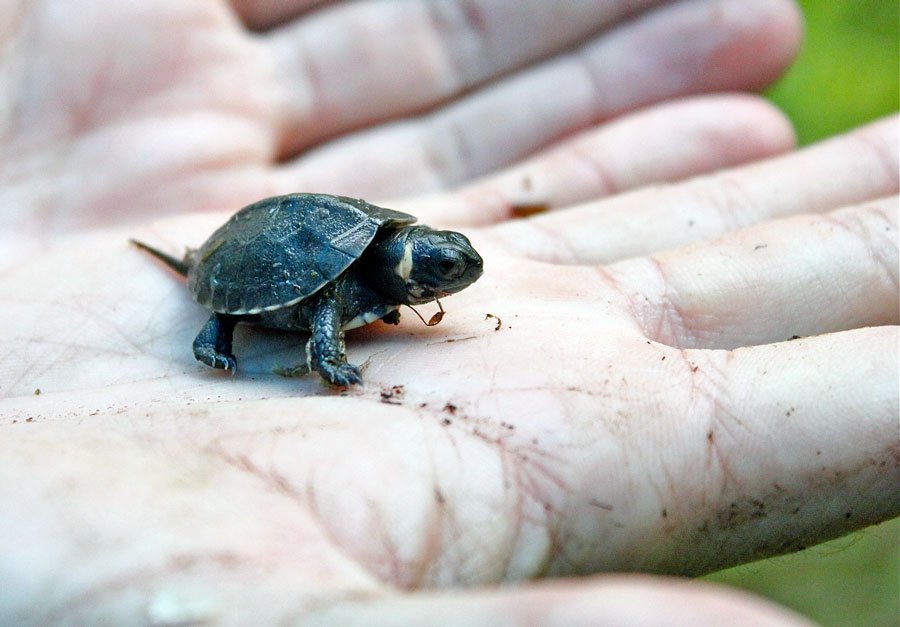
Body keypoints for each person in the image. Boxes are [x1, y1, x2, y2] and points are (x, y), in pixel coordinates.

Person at [0, 1, 896, 624]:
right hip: (248, 254)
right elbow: (326, 310)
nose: (447, 280)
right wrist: (331, 361)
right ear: (402, 271)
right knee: (270, 319)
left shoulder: (391, 247)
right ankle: (215, 333)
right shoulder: (351, 285)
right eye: (437, 273)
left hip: (318, 232)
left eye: (442, 267)